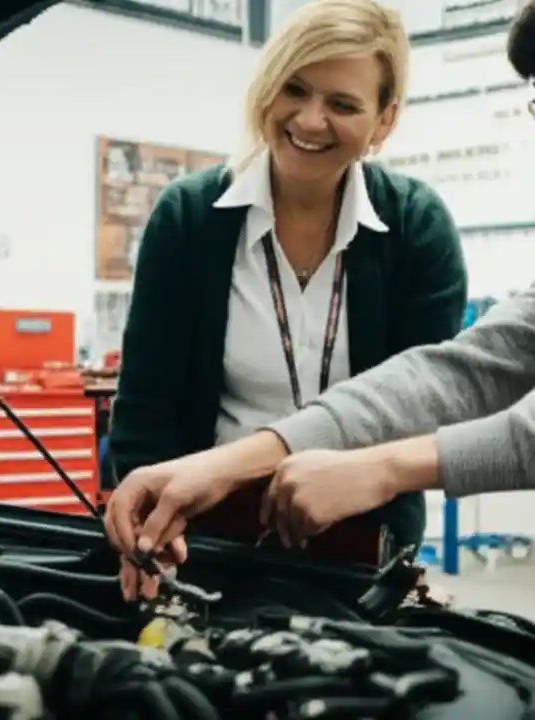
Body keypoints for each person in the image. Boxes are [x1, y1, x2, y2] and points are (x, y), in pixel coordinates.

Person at [105, 0, 469, 601]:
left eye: (343, 104)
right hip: (202, 540)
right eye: (293, 89)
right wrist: (149, 525)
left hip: (361, 549)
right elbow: (147, 403)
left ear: (385, 121)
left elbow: (424, 402)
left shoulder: (416, 227)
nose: (310, 119)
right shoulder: (189, 219)